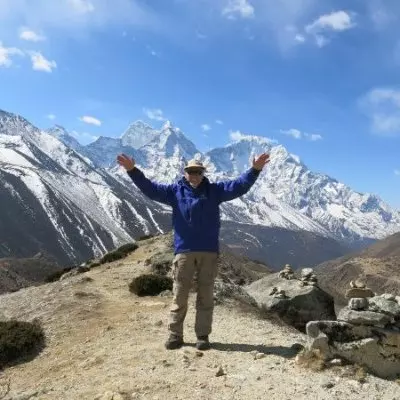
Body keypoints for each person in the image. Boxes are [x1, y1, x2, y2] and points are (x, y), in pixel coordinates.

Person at [117, 152, 270, 350]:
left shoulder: (215, 191)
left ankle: (202, 336)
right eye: (191, 171)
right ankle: (175, 334)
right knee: (179, 294)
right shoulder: (174, 192)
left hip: (208, 252)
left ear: (203, 173)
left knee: (205, 295)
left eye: (198, 172)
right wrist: (133, 171)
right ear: (185, 173)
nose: (195, 175)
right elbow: (150, 189)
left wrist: (255, 170)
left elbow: (239, 186)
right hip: (184, 252)